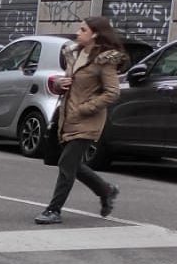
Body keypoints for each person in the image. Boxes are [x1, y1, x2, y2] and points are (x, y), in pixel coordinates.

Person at [35, 17, 125, 225]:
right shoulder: (74, 54)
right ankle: (106, 190)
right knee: (71, 163)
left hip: (87, 120)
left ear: (95, 34)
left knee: (67, 163)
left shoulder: (104, 61)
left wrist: (86, 108)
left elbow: (112, 93)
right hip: (67, 117)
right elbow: (69, 86)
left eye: (83, 29)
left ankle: (53, 210)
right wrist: (59, 84)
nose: (78, 32)